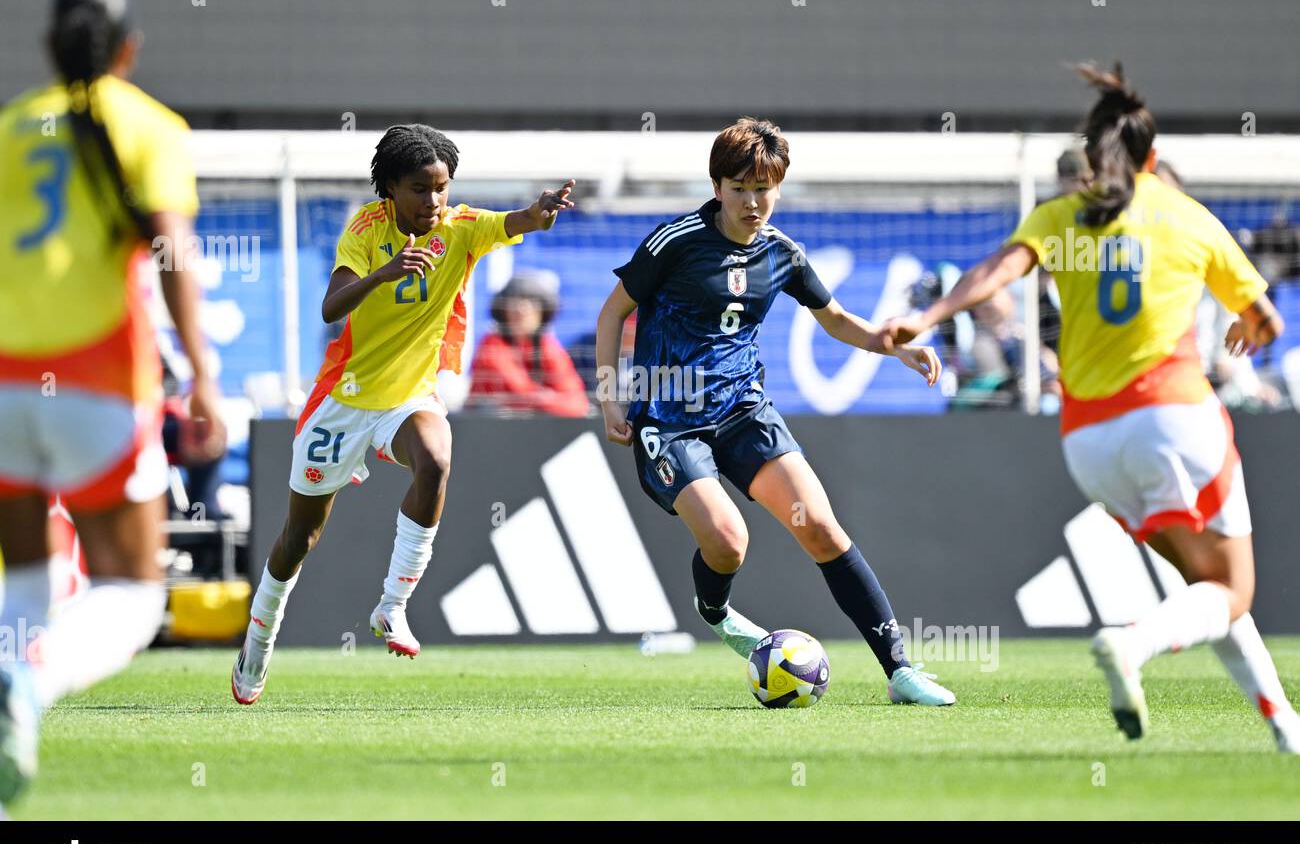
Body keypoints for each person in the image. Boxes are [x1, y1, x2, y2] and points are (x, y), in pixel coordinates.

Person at [883, 63, 1297, 752]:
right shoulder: (1184, 214)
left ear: (1092, 153)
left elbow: (995, 271)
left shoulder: (1060, 217)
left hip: (1088, 443)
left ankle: (1282, 724)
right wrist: (1250, 328)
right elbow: (1267, 323)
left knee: (1207, 584)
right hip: (1174, 416)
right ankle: (1131, 646)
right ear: (1151, 158)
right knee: (1235, 589)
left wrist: (929, 316)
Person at [596, 118, 955, 706]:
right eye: (739, 187)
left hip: (744, 412)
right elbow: (614, 313)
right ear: (716, 187)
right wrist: (610, 398)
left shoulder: (782, 254)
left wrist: (897, 346)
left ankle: (900, 671)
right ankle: (715, 610)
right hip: (671, 418)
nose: (752, 201)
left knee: (819, 527)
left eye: (763, 188)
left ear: (779, 188)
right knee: (728, 542)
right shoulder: (675, 241)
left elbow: (834, 318)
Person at [231, 124, 575, 704]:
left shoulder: (460, 229)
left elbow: (514, 223)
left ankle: (392, 606)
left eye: (442, 188)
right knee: (299, 538)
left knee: (436, 458)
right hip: (343, 403)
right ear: (390, 188)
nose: (434, 201)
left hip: (408, 398)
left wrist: (539, 212)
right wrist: (384, 274)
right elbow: (329, 307)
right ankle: (257, 645)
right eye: (420, 188)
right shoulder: (365, 230)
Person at [0, 0, 225, 805]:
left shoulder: (11, 126)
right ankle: (24, 687)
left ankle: (7, 690)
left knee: (22, 582)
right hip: (96, 380)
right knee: (130, 594)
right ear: (129, 48)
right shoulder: (149, 125)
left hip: (4, 381)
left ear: (47, 49)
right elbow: (171, 252)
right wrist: (202, 375)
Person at [467, 271, 589, 416]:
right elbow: (518, 392)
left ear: (543, 312)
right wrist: (549, 398)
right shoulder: (491, 346)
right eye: (514, 301)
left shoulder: (547, 346)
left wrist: (545, 400)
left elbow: (577, 404)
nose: (521, 309)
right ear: (503, 311)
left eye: (531, 302)